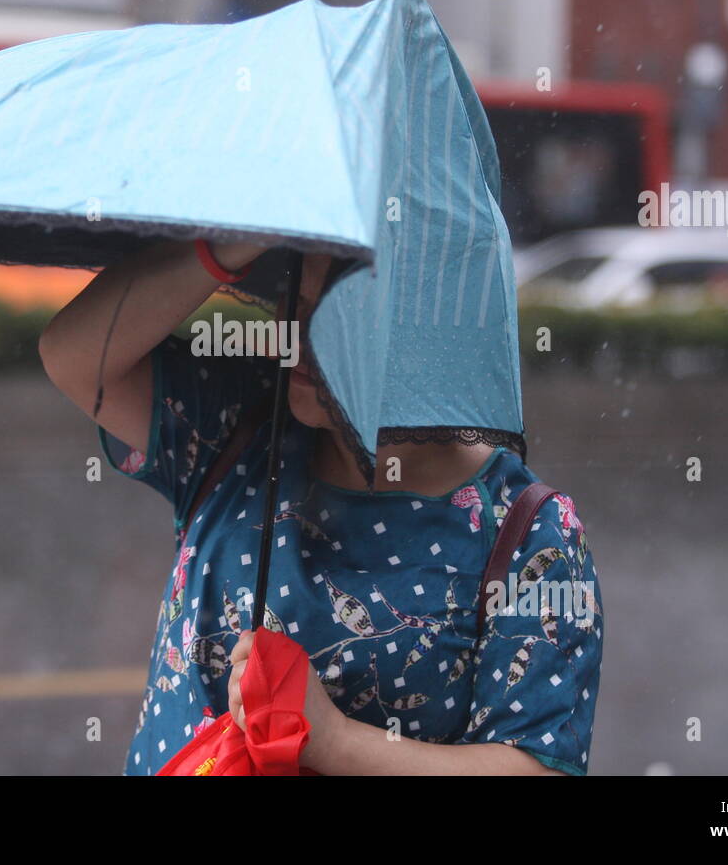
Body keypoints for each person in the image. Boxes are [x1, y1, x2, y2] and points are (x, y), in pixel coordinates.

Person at [39, 239, 604, 775]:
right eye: (298, 304)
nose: (299, 337)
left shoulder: (529, 532)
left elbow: (532, 761)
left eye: (343, 314)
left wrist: (332, 741)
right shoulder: (239, 423)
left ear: (427, 331)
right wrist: (228, 246)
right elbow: (73, 356)